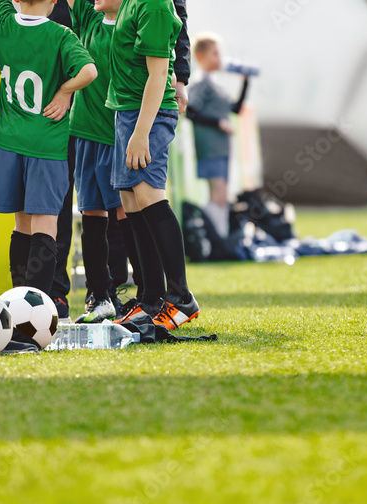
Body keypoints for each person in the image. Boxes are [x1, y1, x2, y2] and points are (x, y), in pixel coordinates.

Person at [0, 0, 97, 305]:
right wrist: (65, 92)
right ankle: (37, 305)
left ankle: (16, 301)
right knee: (46, 223)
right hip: (47, 145)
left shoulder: (3, 24)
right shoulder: (62, 34)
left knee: (21, 224)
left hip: (9, 143)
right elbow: (89, 71)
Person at [108, 0, 199, 330]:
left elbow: (159, 73)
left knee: (149, 195)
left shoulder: (154, 5)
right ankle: (151, 297)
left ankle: (181, 298)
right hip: (127, 112)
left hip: (149, 115)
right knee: (130, 199)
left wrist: (142, 132)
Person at [67, 0, 132, 323]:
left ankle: (130, 291)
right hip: (84, 133)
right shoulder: (88, 19)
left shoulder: (131, 25)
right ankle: (99, 294)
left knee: (121, 214)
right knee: (90, 213)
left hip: (116, 134)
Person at [186, 32, 251, 238]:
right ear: (201, 57)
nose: (219, 58)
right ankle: (216, 237)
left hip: (222, 148)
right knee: (218, 193)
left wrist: (245, 82)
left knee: (222, 195)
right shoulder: (201, 84)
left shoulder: (216, 85)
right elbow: (191, 111)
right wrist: (218, 123)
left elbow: (236, 109)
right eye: (215, 53)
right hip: (210, 147)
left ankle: (220, 236)